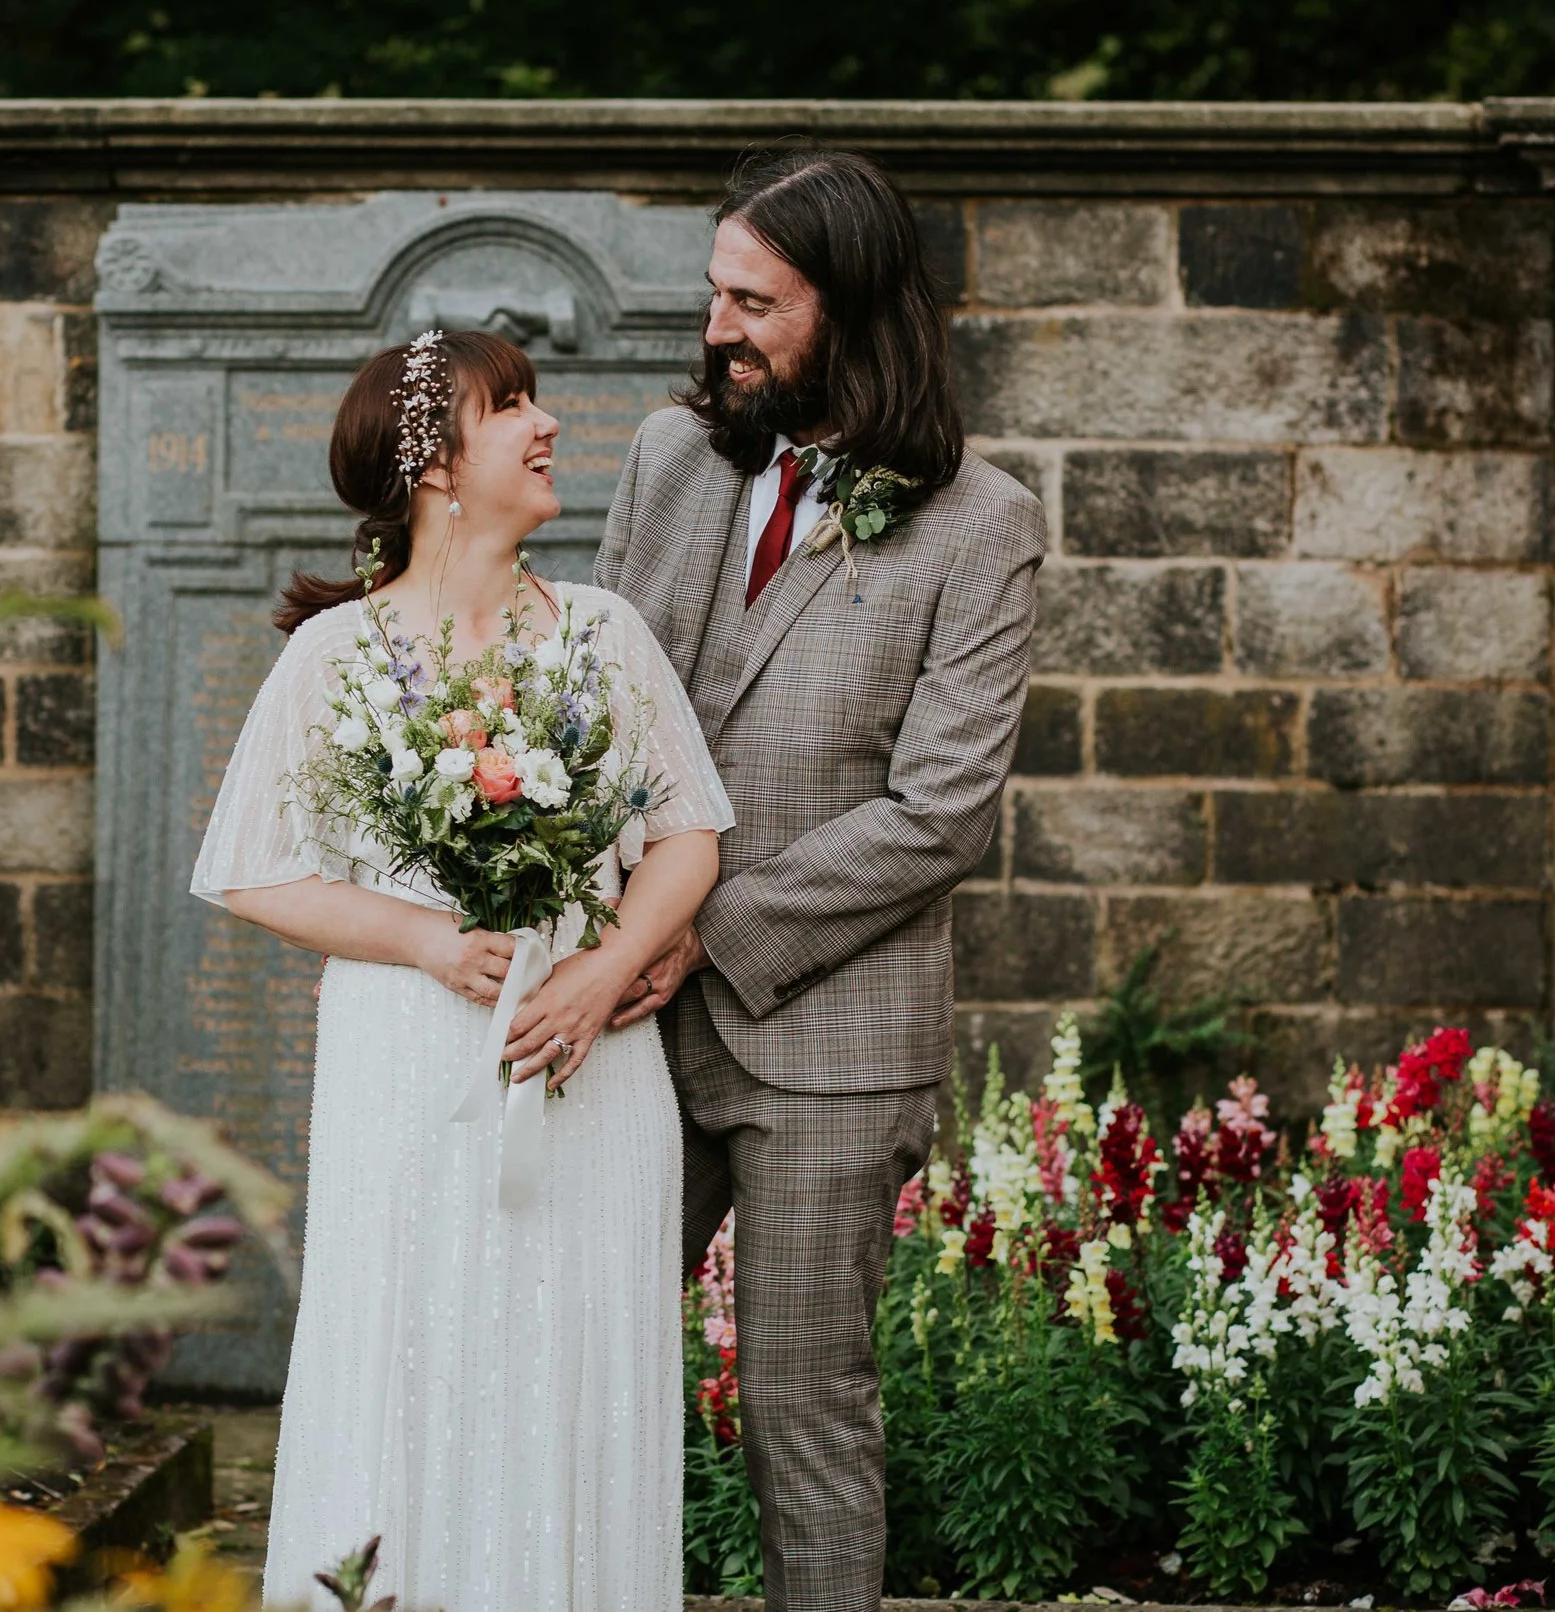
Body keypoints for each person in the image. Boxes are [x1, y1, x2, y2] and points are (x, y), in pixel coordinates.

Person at [190, 328, 734, 1611]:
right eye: (514, 409)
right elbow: (247, 866)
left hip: (589, 1065)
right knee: (404, 1354)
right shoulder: (331, 656)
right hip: (407, 1064)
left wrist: (602, 968)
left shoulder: (604, 633)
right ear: (434, 460)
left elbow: (689, 835)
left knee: (578, 1368)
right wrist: (427, 937)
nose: (547, 427)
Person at [597, 146, 1045, 1611]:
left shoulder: (982, 524)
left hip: (829, 1044)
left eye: (754, 300)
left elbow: (941, 813)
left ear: (852, 311)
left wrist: (699, 926)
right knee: (575, 1364)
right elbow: (589, 710)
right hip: (626, 1021)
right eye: (715, 291)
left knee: (803, 1412)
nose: (719, 327)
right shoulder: (671, 458)